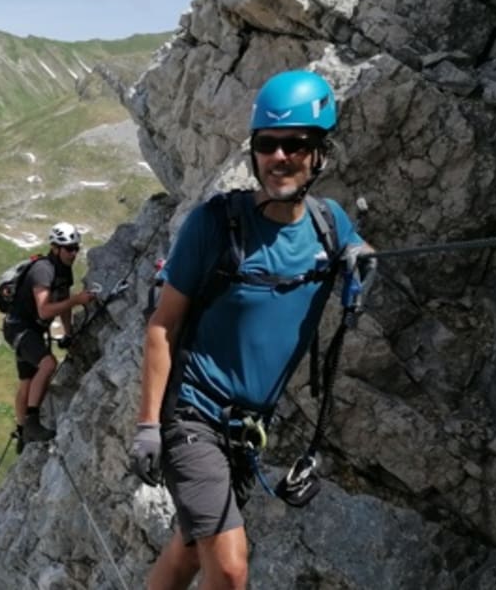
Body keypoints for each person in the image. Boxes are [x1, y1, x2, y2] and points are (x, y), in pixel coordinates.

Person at [130, 70, 375, 589]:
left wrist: (360, 255)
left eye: (296, 144)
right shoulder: (215, 224)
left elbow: (359, 249)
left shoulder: (330, 226)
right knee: (232, 566)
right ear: (254, 151)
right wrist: (149, 425)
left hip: (243, 431)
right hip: (193, 414)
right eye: (268, 144)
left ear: (319, 153)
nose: (280, 157)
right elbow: (163, 325)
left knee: (191, 547)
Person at [3, 221, 96, 449]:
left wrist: (69, 334)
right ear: (55, 248)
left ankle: (23, 431)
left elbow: (62, 304)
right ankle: (32, 423)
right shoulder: (43, 270)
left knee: (27, 382)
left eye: (76, 248)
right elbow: (45, 309)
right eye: (68, 248)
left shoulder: (64, 271)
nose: (73, 253)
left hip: (29, 329)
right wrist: (77, 300)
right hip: (20, 328)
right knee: (48, 364)